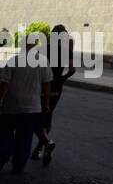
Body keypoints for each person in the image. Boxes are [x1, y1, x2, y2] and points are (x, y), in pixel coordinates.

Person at [0, 32, 53, 174]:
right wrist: (46, 103)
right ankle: (18, 165)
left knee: (5, 133)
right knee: (24, 137)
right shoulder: (43, 61)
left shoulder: (13, 60)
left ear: (23, 44)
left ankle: (4, 153)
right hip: (32, 108)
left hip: (10, 107)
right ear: (36, 44)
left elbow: (4, 85)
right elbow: (47, 85)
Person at [32, 25, 75, 166]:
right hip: (56, 88)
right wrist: (62, 79)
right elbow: (72, 69)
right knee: (47, 116)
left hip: (42, 88)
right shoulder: (65, 51)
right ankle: (40, 147)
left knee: (33, 118)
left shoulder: (43, 49)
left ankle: (46, 143)